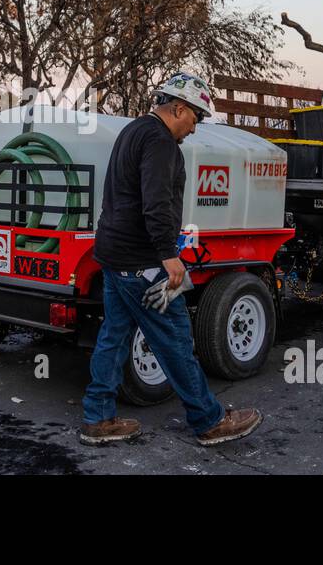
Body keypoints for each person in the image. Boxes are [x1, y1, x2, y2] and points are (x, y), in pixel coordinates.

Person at [80, 72, 261, 447]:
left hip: (114, 256)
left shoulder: (133, 130)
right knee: (175, 339)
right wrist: (168, 254)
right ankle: (208, 420)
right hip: (143, 263)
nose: (194, 129)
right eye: (194, 118)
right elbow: (156, 201)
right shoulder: (160, 142)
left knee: (114, 335)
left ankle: (98, 418)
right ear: (178, 107)